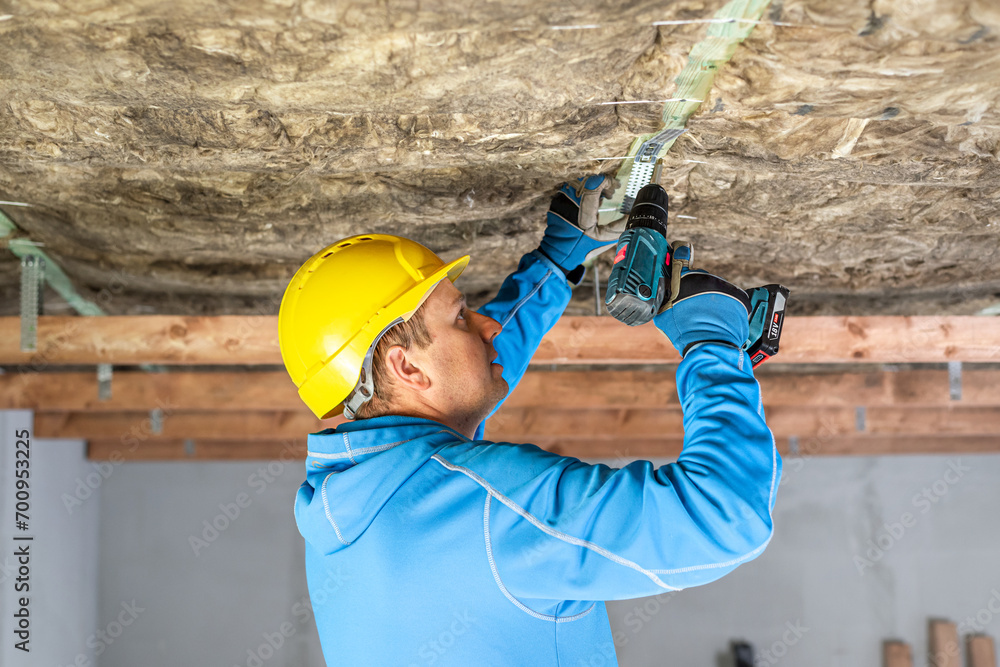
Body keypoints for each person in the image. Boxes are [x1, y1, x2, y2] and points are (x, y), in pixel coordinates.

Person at [278, 175, 781, 666]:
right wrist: (712, 347)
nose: (488, 325)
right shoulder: (487, 503)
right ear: (406, 368)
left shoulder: (345, 507)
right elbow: (724, 517)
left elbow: (458, 391)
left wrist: (552, 266)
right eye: (461, 317)